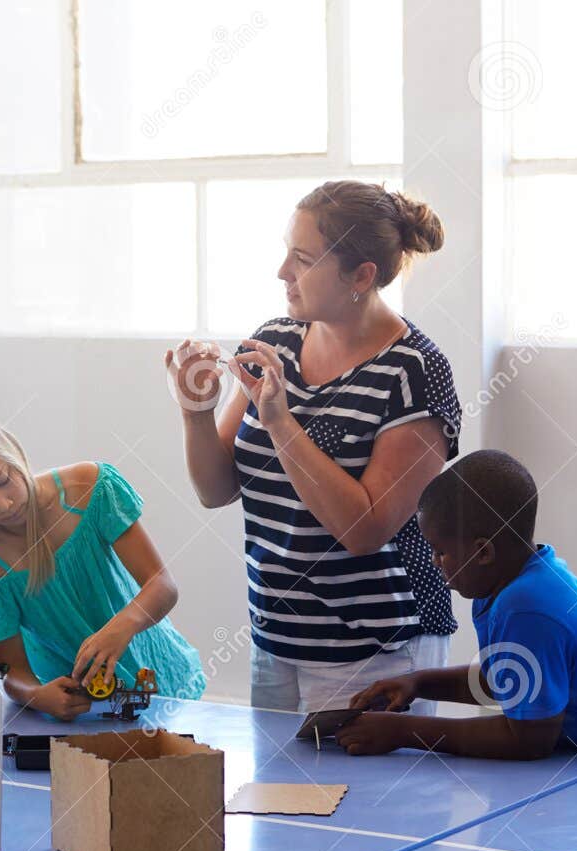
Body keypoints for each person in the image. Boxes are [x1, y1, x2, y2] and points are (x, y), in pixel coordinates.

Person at [168, 180, 459, 714]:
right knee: (278, 799)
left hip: (379, 649)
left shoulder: (413, 371)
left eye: (302, 259)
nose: (283, 272)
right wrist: (196, 413)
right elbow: (217, 489)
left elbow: (363, 531)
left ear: (362, 276)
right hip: (277, 639)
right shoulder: (274, 340)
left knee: (367, 800)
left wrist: (281, 423)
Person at [340, 450, 577, 758]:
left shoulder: (527, 607)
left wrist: (404, 731)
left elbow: (527, 740)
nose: (435, 563)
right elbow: (513, 683)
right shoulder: (511, 580)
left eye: (440, 552)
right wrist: (418, 683)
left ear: (482, 552)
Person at [0, 405, 204, 721]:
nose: (4, 504)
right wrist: (37, 695)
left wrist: (120, 628)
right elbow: (15, 673)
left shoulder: (88, 488)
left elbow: (163, 586)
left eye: (4, 479)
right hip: (81, 712)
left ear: (12, 450)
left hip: (164, 684)